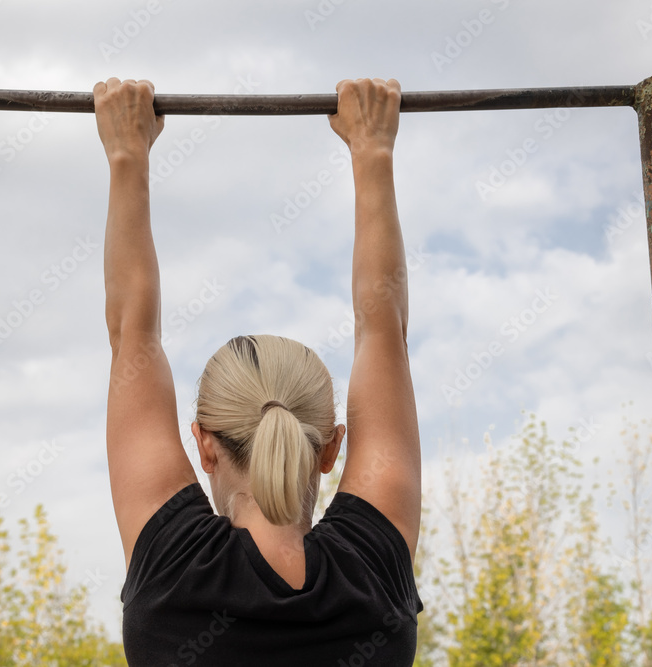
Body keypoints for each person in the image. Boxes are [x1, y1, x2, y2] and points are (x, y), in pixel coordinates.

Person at [95, 76, 422, 666]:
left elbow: (131, 334)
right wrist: (373, 152)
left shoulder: (174, 565)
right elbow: (385, 332)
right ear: (330, 448)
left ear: (204, 444)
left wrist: (127, 154)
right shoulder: (369, 571)